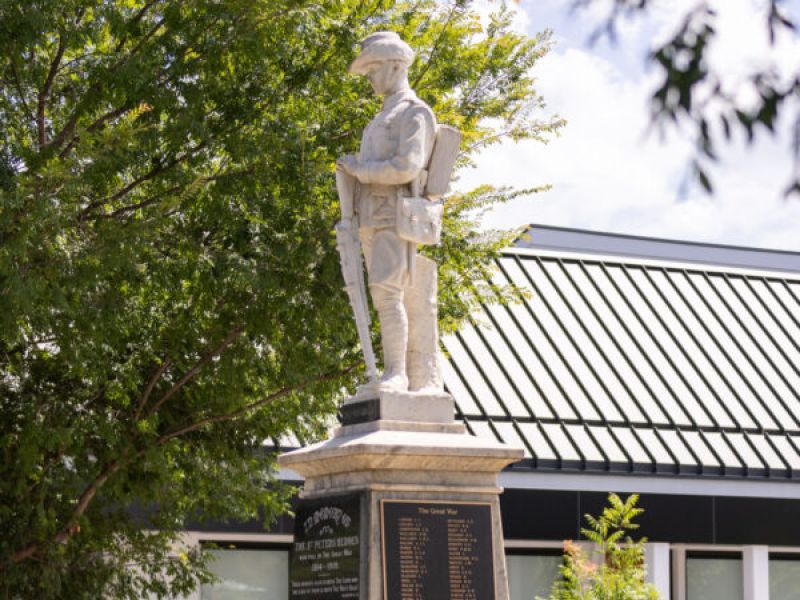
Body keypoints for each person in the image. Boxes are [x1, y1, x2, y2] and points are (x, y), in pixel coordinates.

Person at [336, 31, 442, 395]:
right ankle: (392, 372)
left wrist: (360, 170)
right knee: (381, 293)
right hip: (370, 217)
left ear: (395, 67)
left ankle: (398, 374)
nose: (369, 79)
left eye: (373, 70)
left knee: (388, 293)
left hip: (395, 216)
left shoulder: (414, 113)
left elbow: (406, 167)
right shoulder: (383, 116)